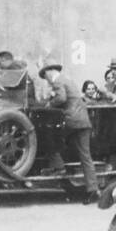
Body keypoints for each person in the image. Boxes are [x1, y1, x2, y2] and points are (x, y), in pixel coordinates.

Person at [40, 62, 99, 204]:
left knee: (48, 138)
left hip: (72, 122)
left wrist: (49, 104)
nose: (45, 79)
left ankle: (58, 167)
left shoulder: (58, 81)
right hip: (82, 121)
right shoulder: (67, 80)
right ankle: (92, 189)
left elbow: (61, 98)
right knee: (85, 156)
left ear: (50, 72)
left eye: (45, 76)